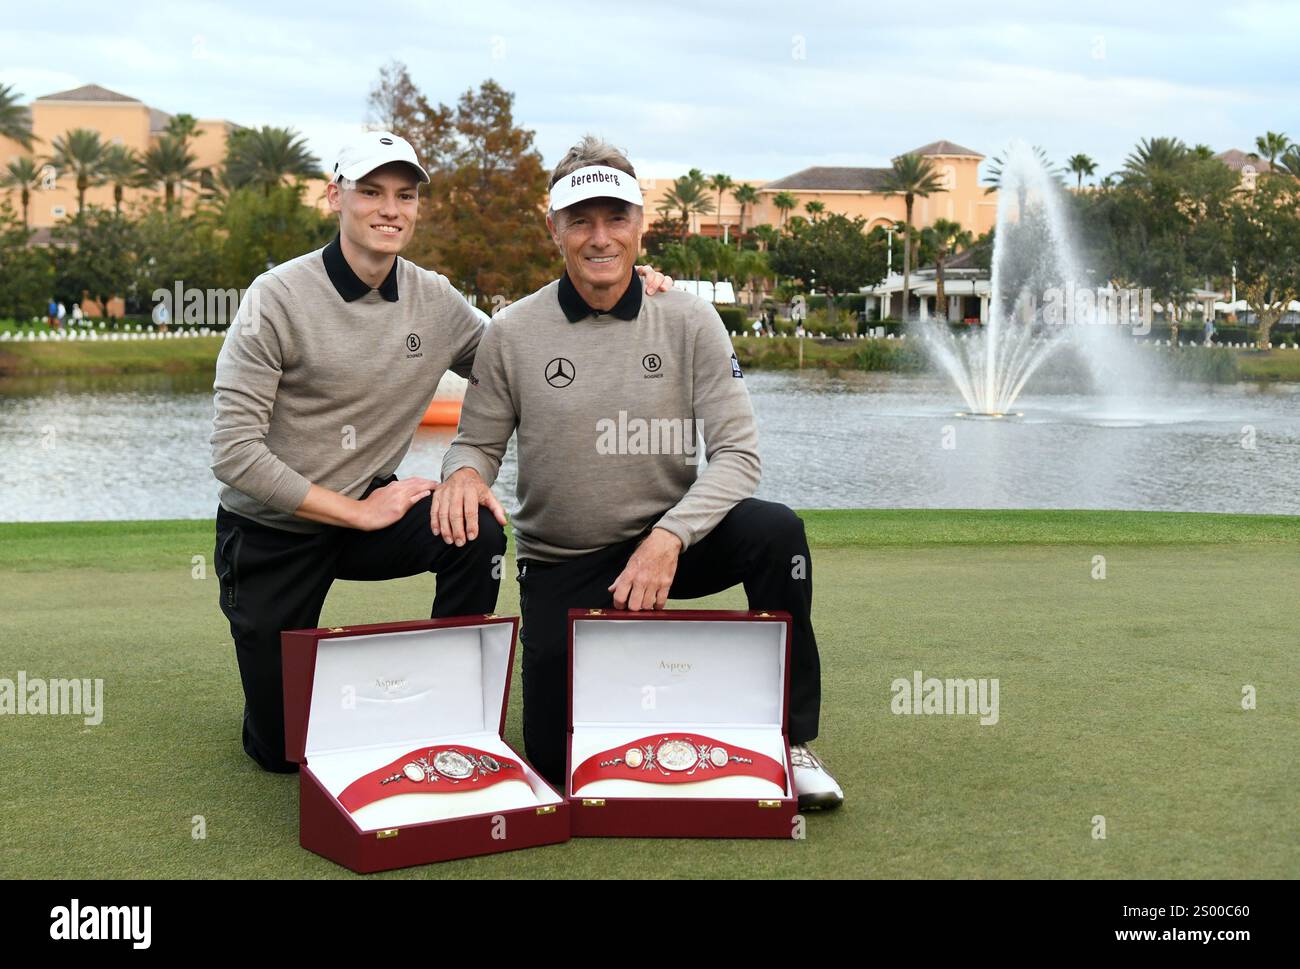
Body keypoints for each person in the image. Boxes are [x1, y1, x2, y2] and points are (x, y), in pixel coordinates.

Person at [210, 130, 673, 774]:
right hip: (274, 530)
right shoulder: (277, 297)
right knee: (284, 751)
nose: (389, 209)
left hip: (369, 515)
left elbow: (522, 355)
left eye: (405, 195)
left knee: (473, 528)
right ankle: (275, 693)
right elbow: (234, 454)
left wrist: (619, 286)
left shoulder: (434, 299)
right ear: (333, 196)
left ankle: (449, 704)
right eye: (370, 192)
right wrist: (358, 512)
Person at [433, 136, 843, 810]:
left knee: (776, 532)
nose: (600, 237)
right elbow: (475, 444)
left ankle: (792, 740)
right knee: (557, 766)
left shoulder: (689, 317)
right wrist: (464, 475)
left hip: (673, 548)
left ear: (641, 224)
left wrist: (670, 535)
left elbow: (739, 454)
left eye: (616, 218)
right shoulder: (512, 331)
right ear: (554, 228)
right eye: (581, 220)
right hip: (566, 559)